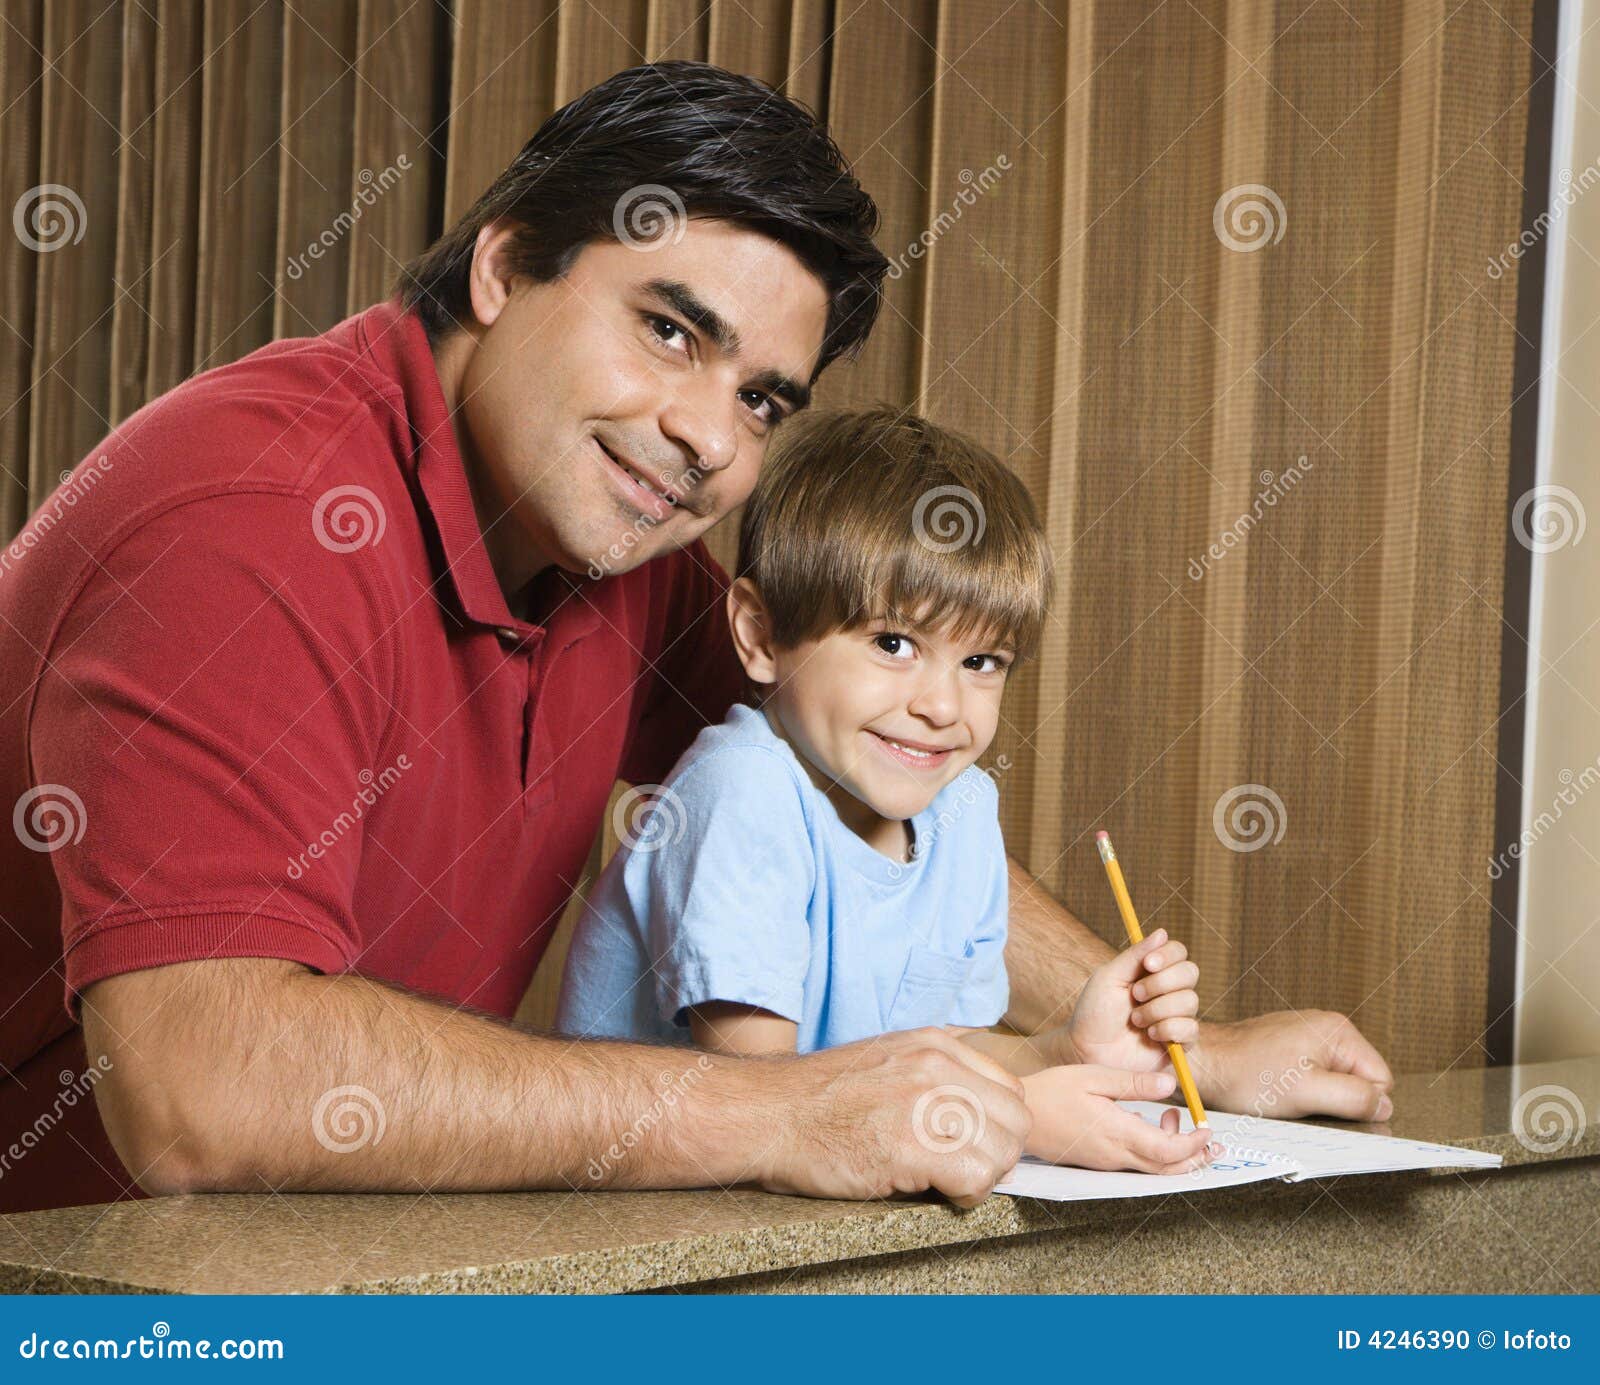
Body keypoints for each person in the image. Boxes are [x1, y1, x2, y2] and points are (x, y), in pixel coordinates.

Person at [0, 62, 1389, 1218]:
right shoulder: (253, 515)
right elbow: (203, 1095)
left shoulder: (621, 542)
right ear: (501, 267)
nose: (712, 440)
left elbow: (866, 768)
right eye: (669, 331)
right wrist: (787, 1111)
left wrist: (1166, 1051)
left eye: (765, 401)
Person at [558, 408, 1224, 1173]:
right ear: (761, 635)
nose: (943, 707)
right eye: (894, 643)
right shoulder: (739, 790)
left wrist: (1057, 1049)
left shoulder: (964, 808)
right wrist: (1013, 1112)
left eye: (983, 662)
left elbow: (944, 1048)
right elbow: (758, 1102)